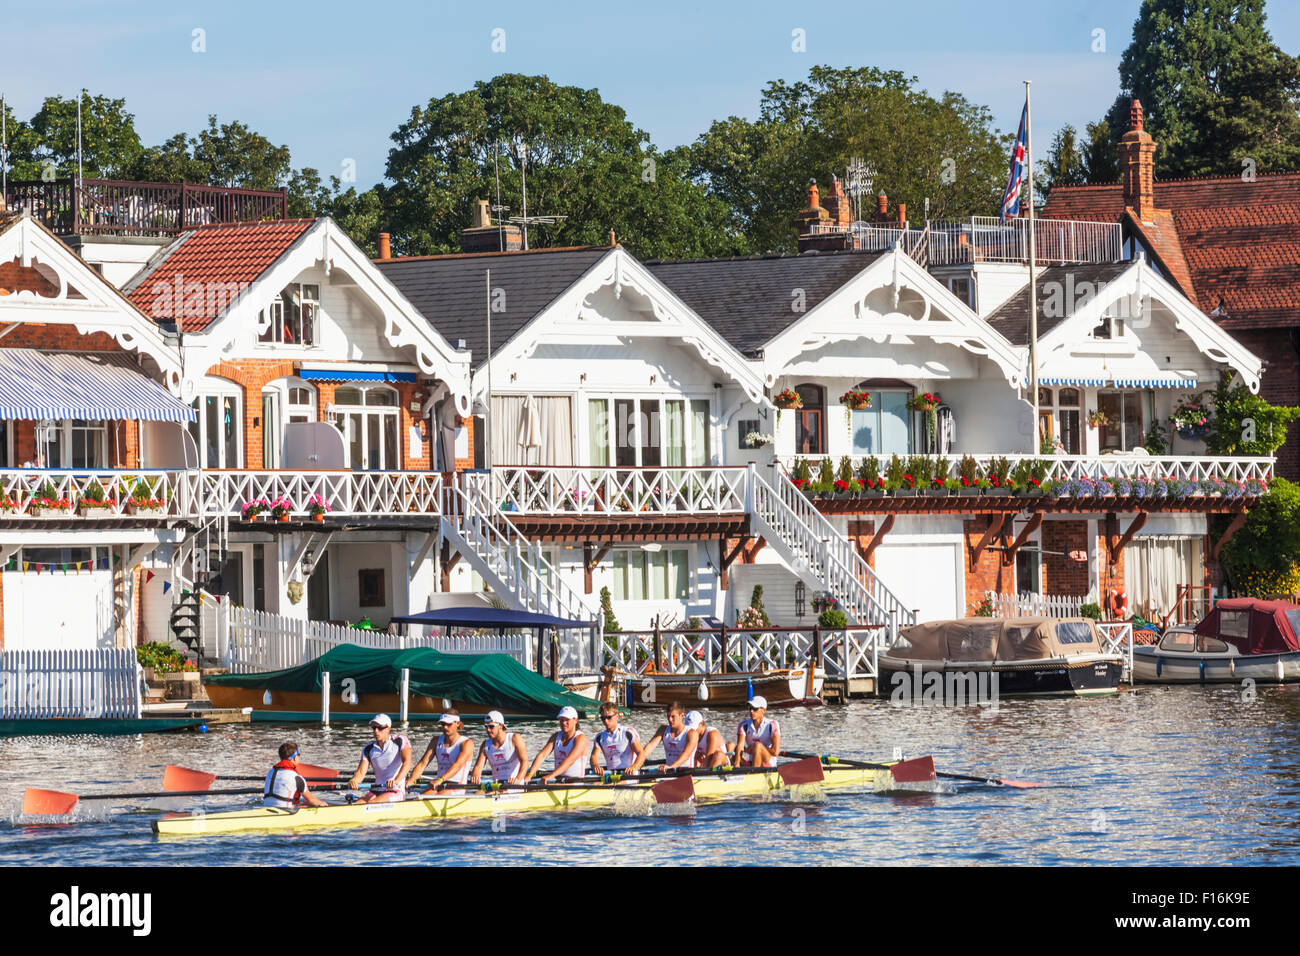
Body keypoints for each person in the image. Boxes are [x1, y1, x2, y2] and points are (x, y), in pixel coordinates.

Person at [348, 714, 412, 803]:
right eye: (374, 728)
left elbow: (407, 762)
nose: (376, 731)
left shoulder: (400, 740)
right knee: (357, 805)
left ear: (388, 728)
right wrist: (354, 780)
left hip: (395, 790)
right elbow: (361, 772)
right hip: (376, 790)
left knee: (370, 804)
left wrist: (396, 780)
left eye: (380, 728)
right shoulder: (368, 748)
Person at [408, 709, 475, 791]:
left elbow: (457, 765)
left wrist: (440, 780)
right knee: (420, 798)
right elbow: (422, 764)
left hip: (457, 786)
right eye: (443, 724)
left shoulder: (466, 743)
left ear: (458, 723)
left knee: (438, 795)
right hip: (439, 784)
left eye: (449, 724)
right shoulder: (435, 741)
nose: (445, 727)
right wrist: (411, 780)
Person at [630, 701, 698, 774]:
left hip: (686, 774)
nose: (670, 719)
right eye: (668, 716)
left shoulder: (691, 733)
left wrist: (671, 767)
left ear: (682, 716)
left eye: (673, 716)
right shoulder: (663, 729)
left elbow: (686, 755)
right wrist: (635, 766)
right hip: (668, 772)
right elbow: (649, 747)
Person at [527, 706, 590, 784]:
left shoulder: (581, 738)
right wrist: (529, 775)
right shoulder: (556, 736)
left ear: (575, 720)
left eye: (567, 720)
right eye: (561, 720)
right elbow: (542, 755)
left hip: (575, 782)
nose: (563, 723)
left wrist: (551, 775)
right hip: (557, 780)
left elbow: (570, 760)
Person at [470, 710, 528, 786]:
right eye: (486, 727)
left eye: (491, 726)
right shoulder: (485, 745)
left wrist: (518, 779)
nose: (488, 730)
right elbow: (478, 766)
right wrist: (475, 775)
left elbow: (525, 762)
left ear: (500, 725)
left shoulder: (514, 739)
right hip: (497, 786)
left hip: (515, 785)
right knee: (478, 793)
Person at [264, 741, 329, 808]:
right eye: (299, 755)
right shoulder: (296, 777)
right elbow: (311, 800)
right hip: (286, 813)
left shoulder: (270, 772)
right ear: (295, 757)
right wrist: (322, 803)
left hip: (266, 809)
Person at [589, 701, 643, 775]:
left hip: (630, 776)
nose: (605, 721)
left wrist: (634, 767)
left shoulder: (628, 733)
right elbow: (594, 756)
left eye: (609, 717)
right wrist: (596, 766)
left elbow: (641, 754)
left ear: (617, 716)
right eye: (603, 718)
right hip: (611, 776)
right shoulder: (599, 737)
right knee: (592, 785)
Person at [735, 696, 781, 767]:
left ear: (764, 710)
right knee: (731, 745)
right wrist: (737, 763)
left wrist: (754, 748)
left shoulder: (772, 724)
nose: (751, 711)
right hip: (751, 760)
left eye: (755, 709)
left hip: (767, 762)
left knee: (757, 745)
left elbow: (776, 752)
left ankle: (754, 773)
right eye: (750, 708)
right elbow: (740, 746)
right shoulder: (743, 725)